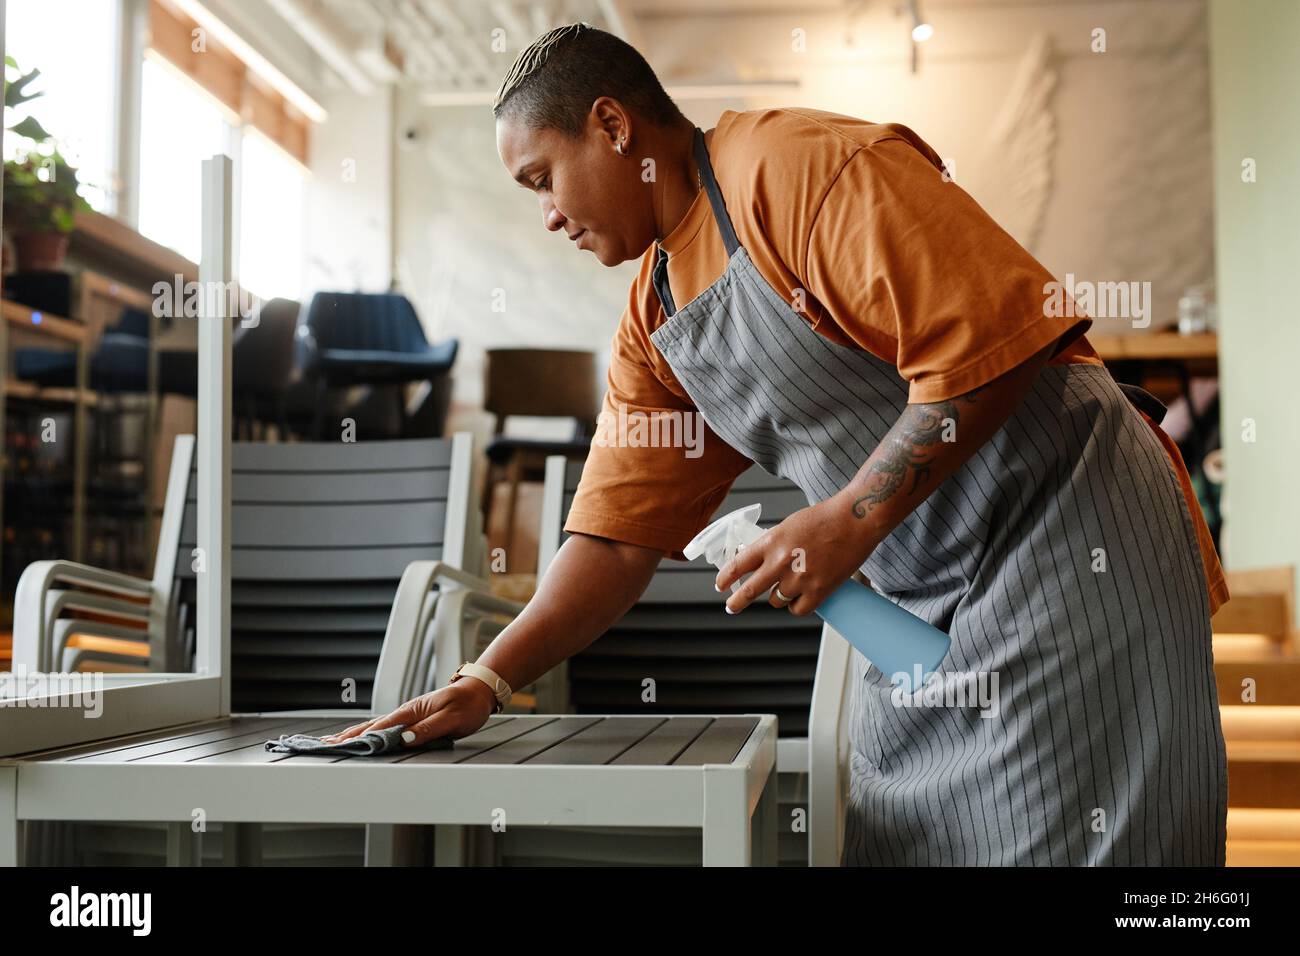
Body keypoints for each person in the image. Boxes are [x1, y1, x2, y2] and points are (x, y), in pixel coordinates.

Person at [324, 23, 1230, 866]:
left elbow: (986, 349)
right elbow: (612, 539)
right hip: (927, 599)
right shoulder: (657, 315)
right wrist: (488, 677)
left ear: (610, 125)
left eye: (541, 179)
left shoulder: (803, 169)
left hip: (1072, 534)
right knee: (906, 829)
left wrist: (846, 519)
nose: (548, 217)